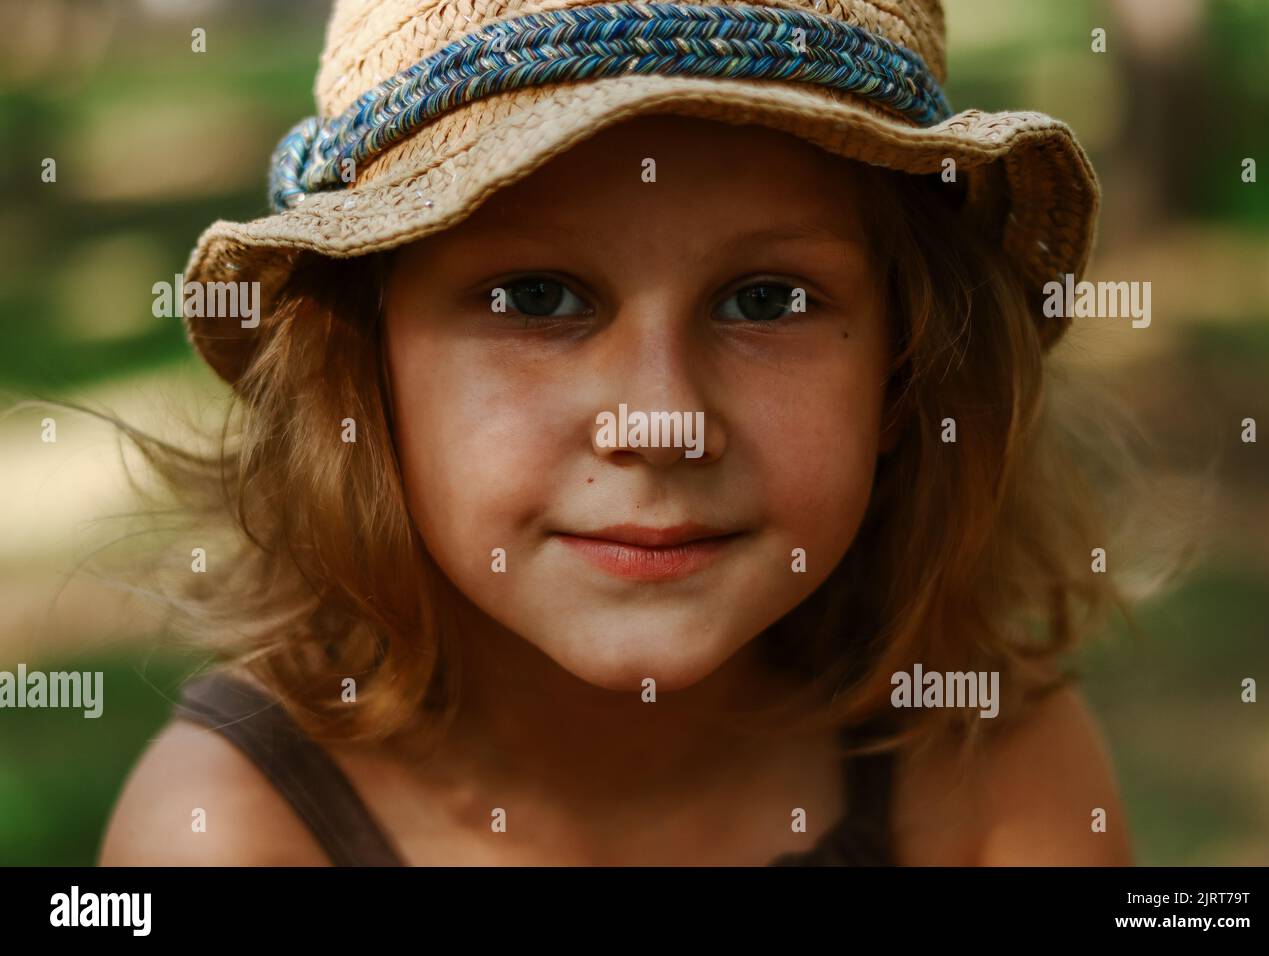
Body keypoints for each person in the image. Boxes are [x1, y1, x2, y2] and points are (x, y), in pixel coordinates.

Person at [99, 0, 1137, 865]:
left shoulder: (987, 768)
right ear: (363, 372)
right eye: (537, 295)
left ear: (905, 372)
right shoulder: (234, 832)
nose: (661, 420)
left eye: (766, 298)